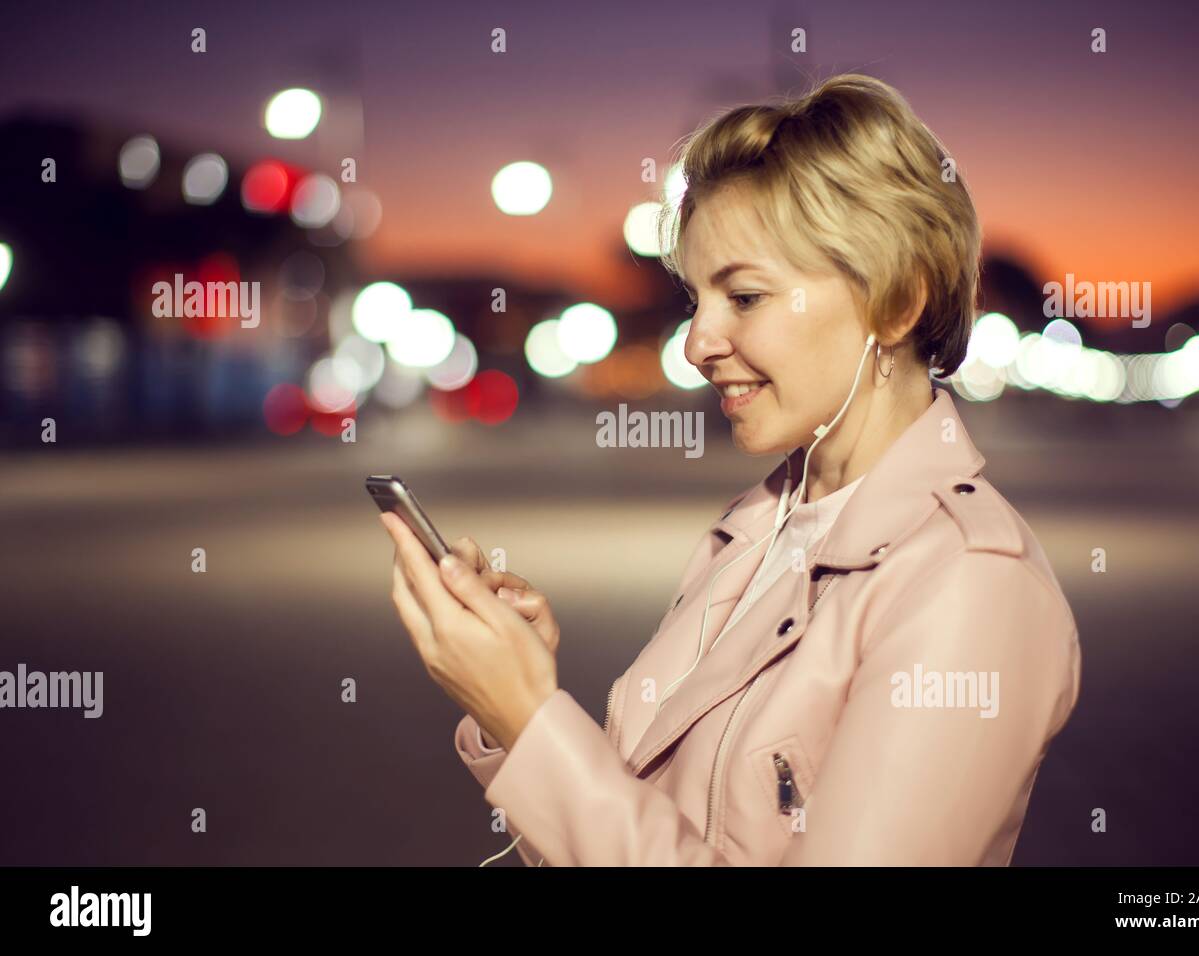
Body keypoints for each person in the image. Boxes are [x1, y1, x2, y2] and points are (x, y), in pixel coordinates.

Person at [382, 73, 1081, 866]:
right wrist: (519, 715)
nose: (696, 343)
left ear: (897, 303)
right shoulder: (759, 527)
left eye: (744, 297)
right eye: (695, 301)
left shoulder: (971, 584)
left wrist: (534, 718)